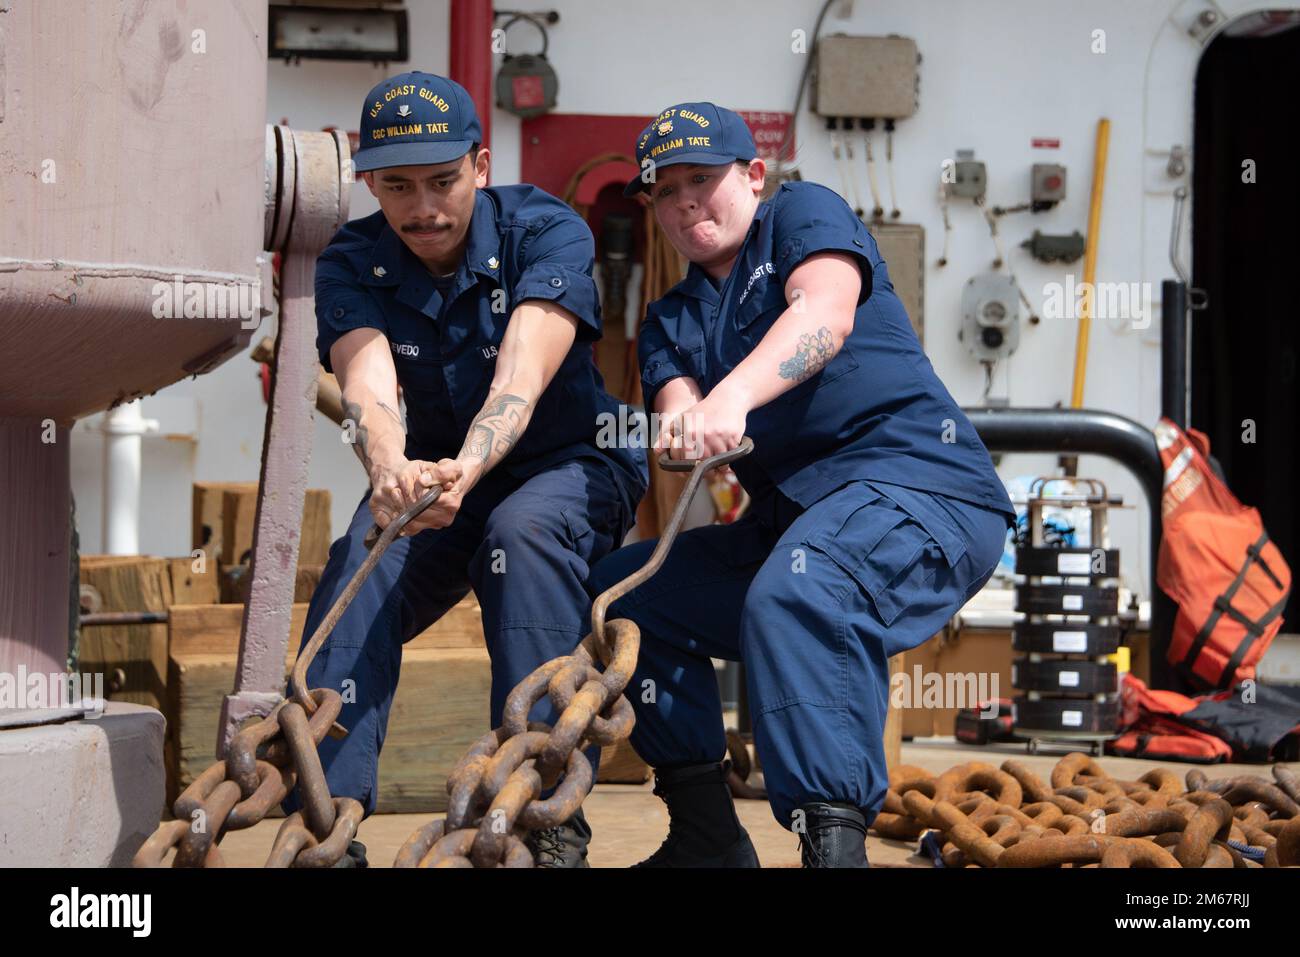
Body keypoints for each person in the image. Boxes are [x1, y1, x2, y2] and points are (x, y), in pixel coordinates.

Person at [585, 102, 1016, 867]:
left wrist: (733, 397)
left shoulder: (802, 217)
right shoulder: (670, 319)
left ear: (754, 175)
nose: (685, 202)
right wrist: (685, 422)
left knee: (798, 588)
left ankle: (834, 849)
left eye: (702, 179)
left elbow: (824, 315)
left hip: (923, 496)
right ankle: (705, 835)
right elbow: (675, 400)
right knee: (626, 596)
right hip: (801, 524)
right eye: (665, 190)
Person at [280, 72, 648, 868]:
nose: (422, 208)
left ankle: (547, 815)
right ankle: (329, 820)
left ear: (480, 165)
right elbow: (368, 386)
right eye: (397, 186)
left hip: (570, 463)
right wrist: (389, 468)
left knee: (521, 533)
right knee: (361, 560)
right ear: (365, 180)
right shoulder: (353, 259)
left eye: (442, 180)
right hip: (439, 475)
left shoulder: (545, 231)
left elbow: (519, 375)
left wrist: (464, 470)